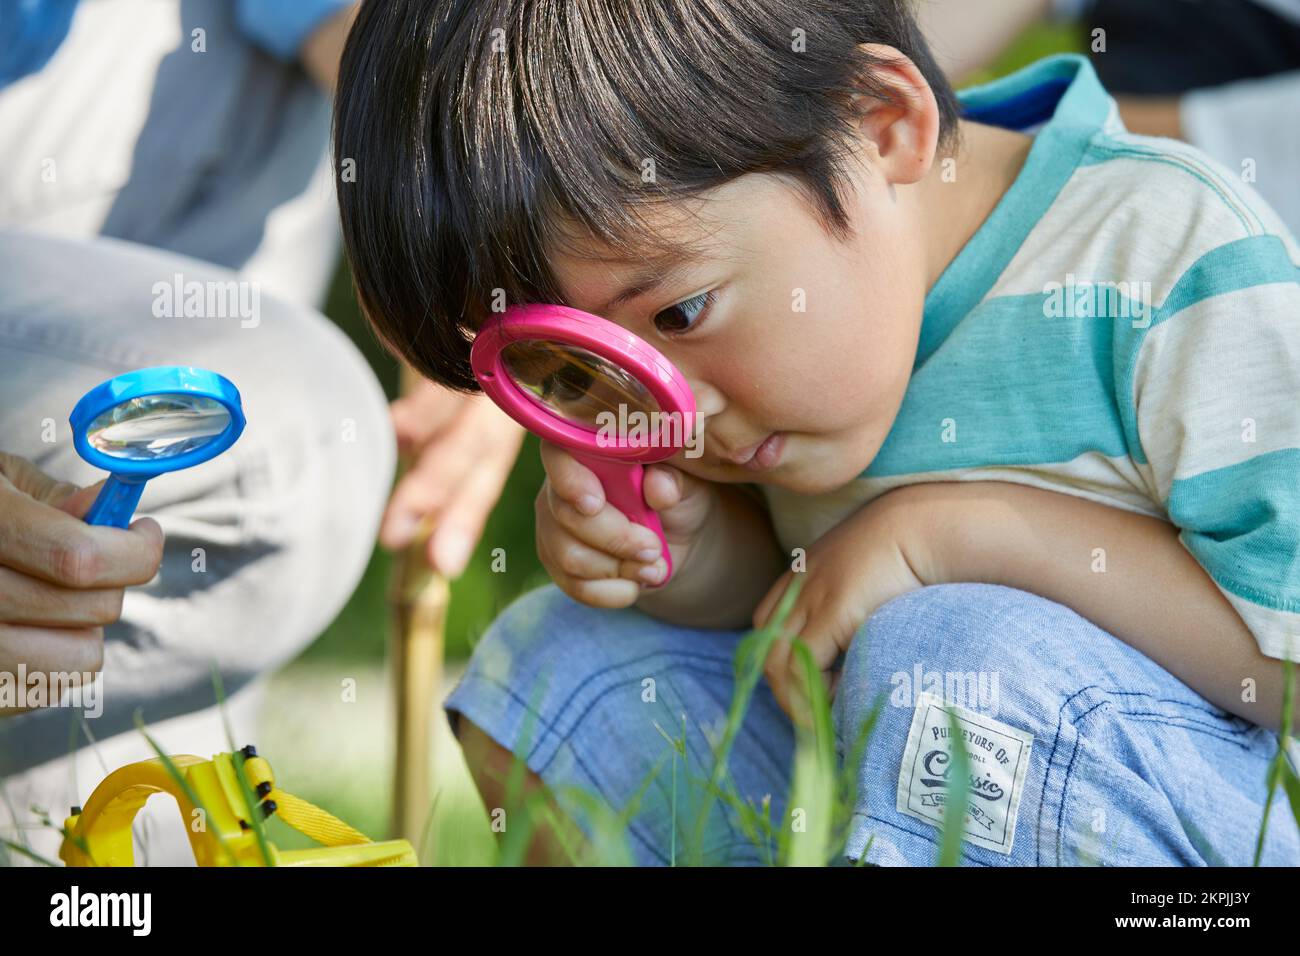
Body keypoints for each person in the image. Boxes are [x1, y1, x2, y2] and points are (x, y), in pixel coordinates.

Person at [332, 0, 1300, 866]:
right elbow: (806, 604)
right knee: (557, 660)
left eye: (681, 314)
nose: (669, 411)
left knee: (943, 649)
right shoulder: (775, 365)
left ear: (883, 127)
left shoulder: (1163, 257)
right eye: (577, 370)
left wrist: (951, 537)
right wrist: (694, 561)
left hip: (1207, 810)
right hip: (869, 780)